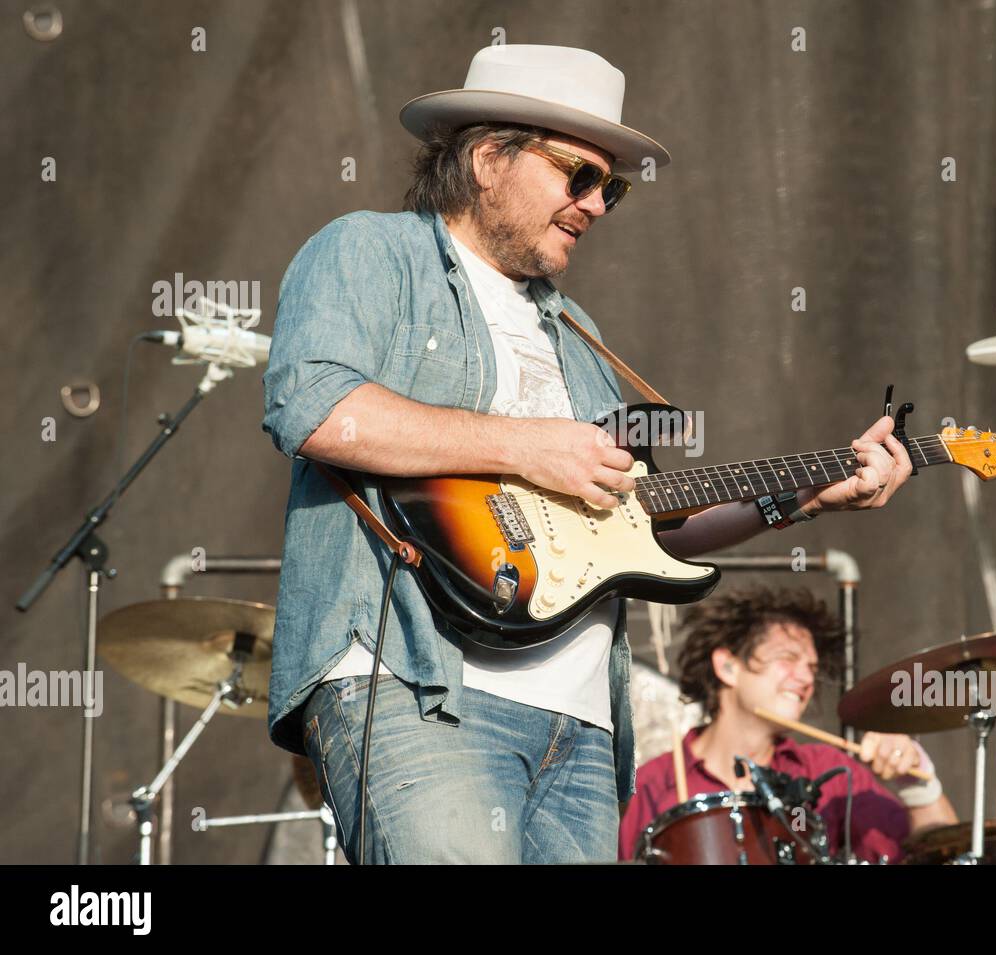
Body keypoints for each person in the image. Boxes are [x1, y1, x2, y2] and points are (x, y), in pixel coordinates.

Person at [261, 44, 914, 864]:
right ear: (488, 156)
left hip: (582, 727)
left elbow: (643, 532)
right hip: (420, 683)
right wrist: (526, 447)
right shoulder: (371, 251)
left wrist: (807, 496)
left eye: (614, 188)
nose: (598, 204)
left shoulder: (579, 337)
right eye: (580, 176)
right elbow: (313, 409)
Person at [620, 587, 957, 863]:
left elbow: (942, 854)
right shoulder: (652, 784)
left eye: (811, 666)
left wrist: (913, 776)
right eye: (788, 659)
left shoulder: (827, 772)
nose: (806, 677)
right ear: (728, 667)